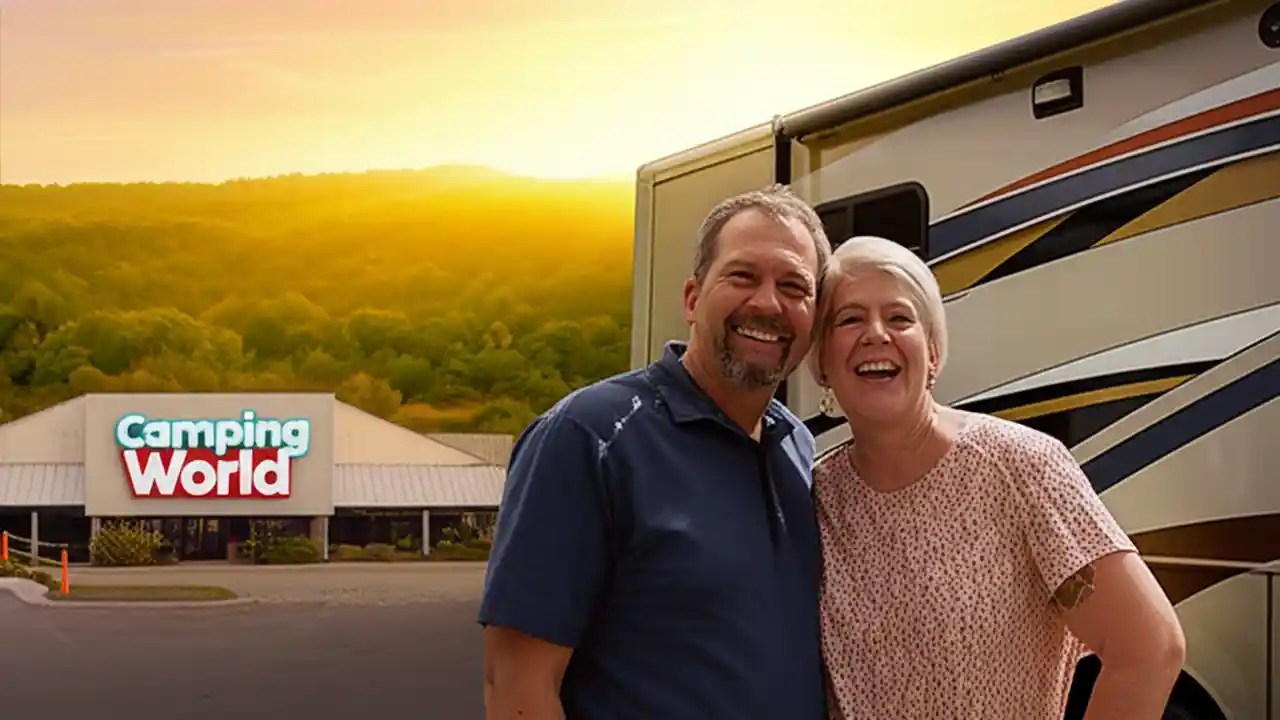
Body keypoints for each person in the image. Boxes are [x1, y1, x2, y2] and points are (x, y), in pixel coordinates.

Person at [477, 184, 833, 720]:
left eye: (793, 286)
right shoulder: (591, 436)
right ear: (692, 298)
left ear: (812, 319)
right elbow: (517, 689)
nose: (767, 302)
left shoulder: (798, 448)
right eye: (742, 276)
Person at [807, 235, 1187, 719]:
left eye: (900, 317)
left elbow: (1150, 648)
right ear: (822, 360)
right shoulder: (820, 495)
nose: (876, 333)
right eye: (850, 318)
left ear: (933, 353)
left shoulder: (1020, 466)